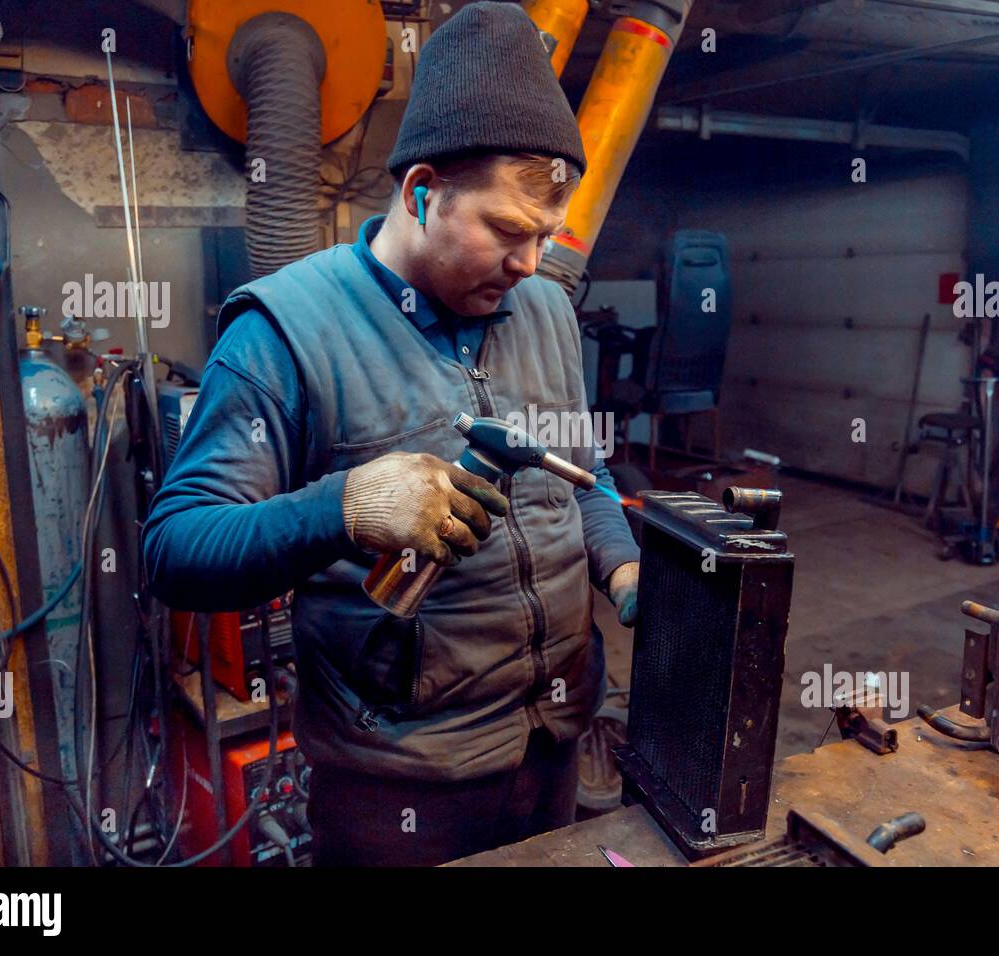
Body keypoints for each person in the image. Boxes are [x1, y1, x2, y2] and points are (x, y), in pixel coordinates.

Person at [143, 1, 640, 865]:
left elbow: (582, 479)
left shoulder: (548, 311)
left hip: (551, 746)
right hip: (400, 786)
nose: (529, 265)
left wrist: (624, 565)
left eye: (546, 236)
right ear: (423, 190)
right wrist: (344, 506)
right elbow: (177, 549)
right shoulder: (285, 331)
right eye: (508, 232)